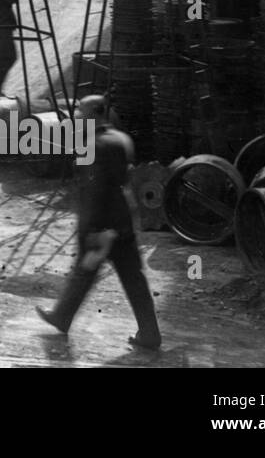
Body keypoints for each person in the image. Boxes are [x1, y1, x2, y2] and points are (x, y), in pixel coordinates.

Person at [36, 93, 162, 351]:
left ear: (94, 114)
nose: (78, 117)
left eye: (81, 113)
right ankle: (149, 333)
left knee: (84, 272)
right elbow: (125, 182)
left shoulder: (93, 145)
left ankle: (62, 316)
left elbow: (94, 190)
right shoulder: (122, 140)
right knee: (132, 279)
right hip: (122, 220)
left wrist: (93, 228)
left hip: (101, 221)